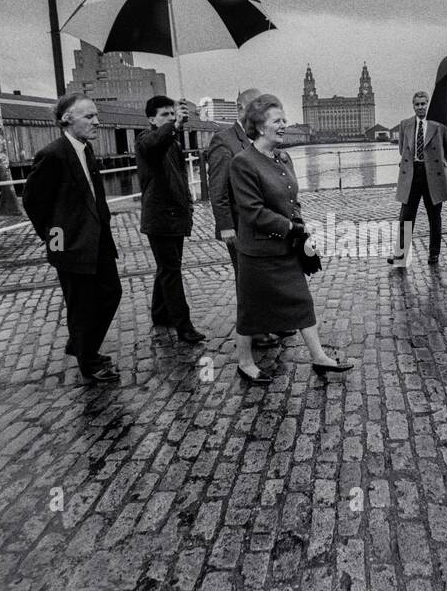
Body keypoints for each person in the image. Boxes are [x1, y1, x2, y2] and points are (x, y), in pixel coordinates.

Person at [229, 95, 353, 384]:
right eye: (278, 121)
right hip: (258, 253)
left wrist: (300, 228)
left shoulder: (283, 157)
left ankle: (319, 357)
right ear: (260, 127)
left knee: (301, 301)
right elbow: (252, 212)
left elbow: (291, 198)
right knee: (250, 309)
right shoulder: (242, 163)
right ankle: (245, 362)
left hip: (285, 248)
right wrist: (291, 228)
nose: (284, 125)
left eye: (284, 119)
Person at [21, 94, 122, 383]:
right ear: (67, 118)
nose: (97, 122)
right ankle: (88, 361)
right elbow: (34, 203)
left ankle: (81, 345)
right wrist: (56, 245)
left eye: (96, 115)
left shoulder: (86, 150)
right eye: (89, 116)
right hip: (71, 245)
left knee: (111, 292)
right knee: (82, 303)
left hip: (98, 239)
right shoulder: (53, 155)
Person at [206, 87, 278, 349]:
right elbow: (218, 188)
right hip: (239, 225)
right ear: (240, 110)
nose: (259, 113)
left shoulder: (259, 138)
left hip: (262, 222)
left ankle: (270, 322)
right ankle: (256, 331)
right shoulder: (223, 141)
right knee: (247, 280)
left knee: (266, 276)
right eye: (254, 108)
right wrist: (225, 226)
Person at [137, 95, 205, 344]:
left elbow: (179, 177)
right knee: (171, 270)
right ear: (152, 119)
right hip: (160, 218)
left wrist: (188, 203)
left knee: (166, 267)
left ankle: (160, 313)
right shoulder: (146, 140)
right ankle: (183, 325)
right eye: (164, 115)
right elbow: (155, 144)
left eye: (171, 113)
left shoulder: (173, 144)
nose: (169, 118)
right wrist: (174, 126)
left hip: (175, 215)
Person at [388, 91, 447, 268]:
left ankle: (434, 253)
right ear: (413, 106)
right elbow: (402, 149)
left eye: (423, 104)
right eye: (417, 104)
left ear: (428, 105)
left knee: (435, 216)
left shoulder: (440, 125)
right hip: (412, 175)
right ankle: (401, 255)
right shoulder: (405, 125)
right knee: (406, 216)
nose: (420, 107)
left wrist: (439, 165)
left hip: (433, 175)